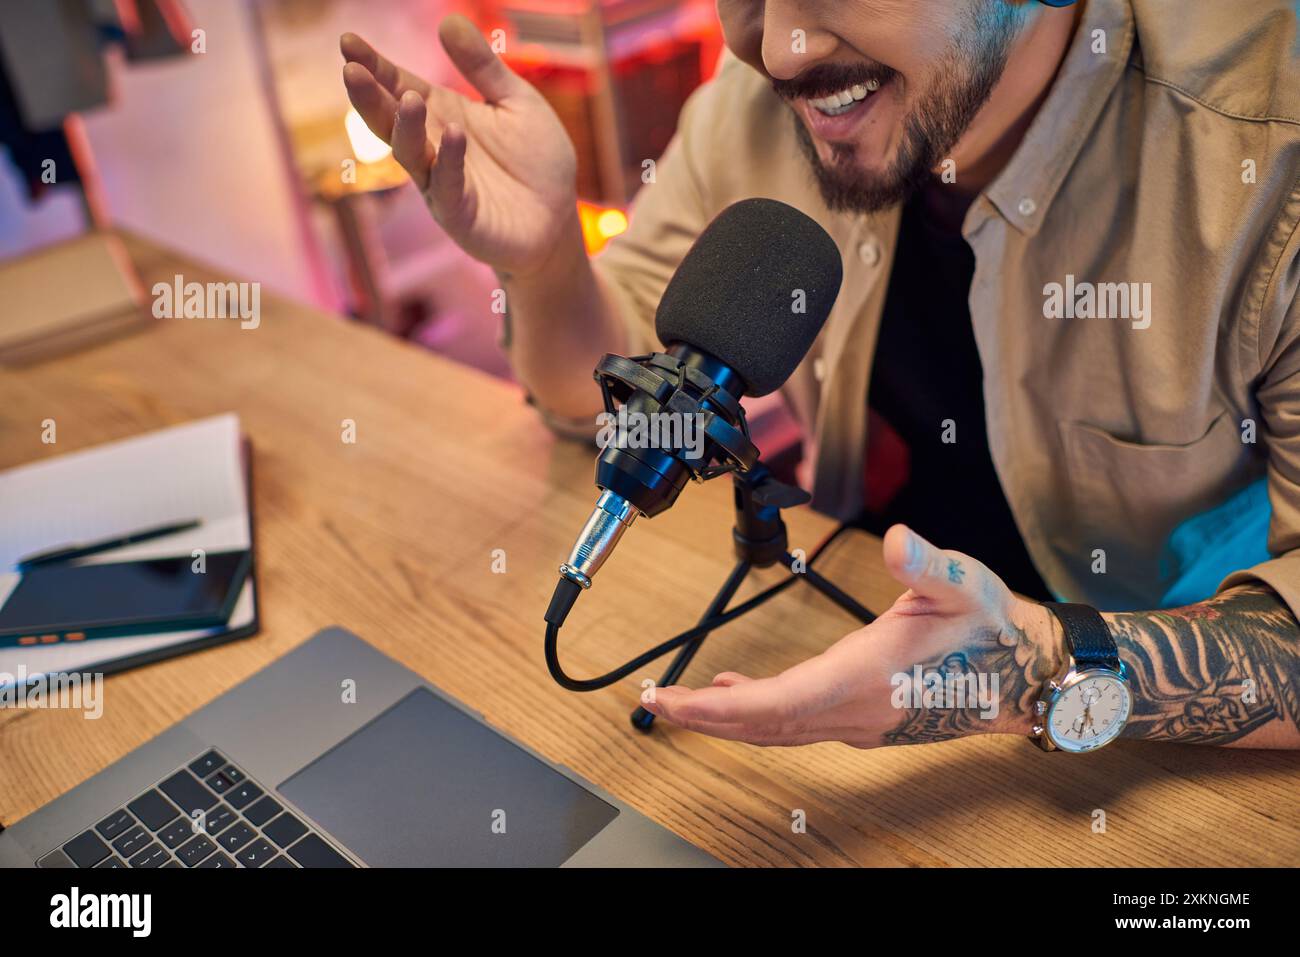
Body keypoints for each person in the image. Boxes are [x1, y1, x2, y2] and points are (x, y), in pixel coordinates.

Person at [341, 0, 1300, 751]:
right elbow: (619, 391)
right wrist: (549, 261)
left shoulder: (1268, 153)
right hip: (845, 642)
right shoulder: (751, 104)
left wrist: (1020, 673)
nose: (779, 47)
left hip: (1145, 750)